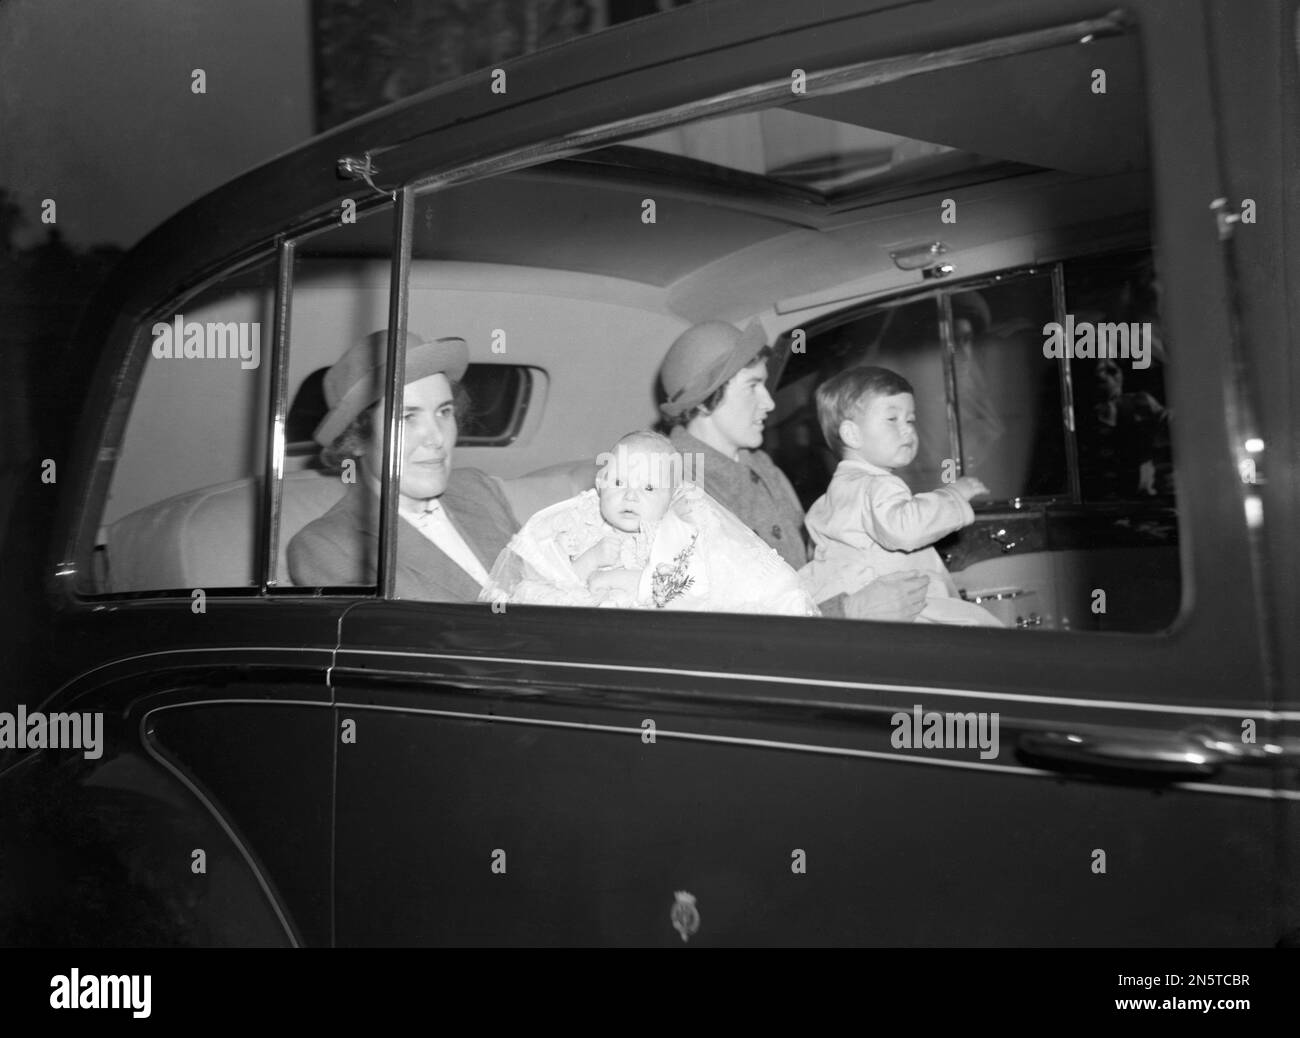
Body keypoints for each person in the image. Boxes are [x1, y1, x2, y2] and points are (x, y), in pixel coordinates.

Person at [658, 320, 929, 621]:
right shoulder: (674, 490)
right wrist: (851, 609)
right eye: (752, 386)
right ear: (705, 397)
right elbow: (723, 627)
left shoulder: (760, 466)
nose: (769, 402)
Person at [287, 329, 518, 600]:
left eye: (444, 411)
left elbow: (544, 576)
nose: (436, 438)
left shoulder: (476, 487)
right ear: (356, 439)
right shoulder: (328, 545)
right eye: (407, 417)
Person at [481, 431, 815, 614]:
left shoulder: (677, 532)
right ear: (600, 482)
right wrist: (591, 560)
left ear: (671, 496)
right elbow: (553, 581)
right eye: (619, 483)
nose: (630, 496)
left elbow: (688, 586)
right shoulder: (581, 524)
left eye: (649, 488)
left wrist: (624, 577)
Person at [801, 366, 1001, 626]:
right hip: (905, 608)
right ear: (852, 434)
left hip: (869, 610)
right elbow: (904, 529)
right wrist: (953, 495)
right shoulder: (878, 485)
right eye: (892, 419)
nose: (907, 430)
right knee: (982, 625)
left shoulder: (833, 494)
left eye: (910, 420)